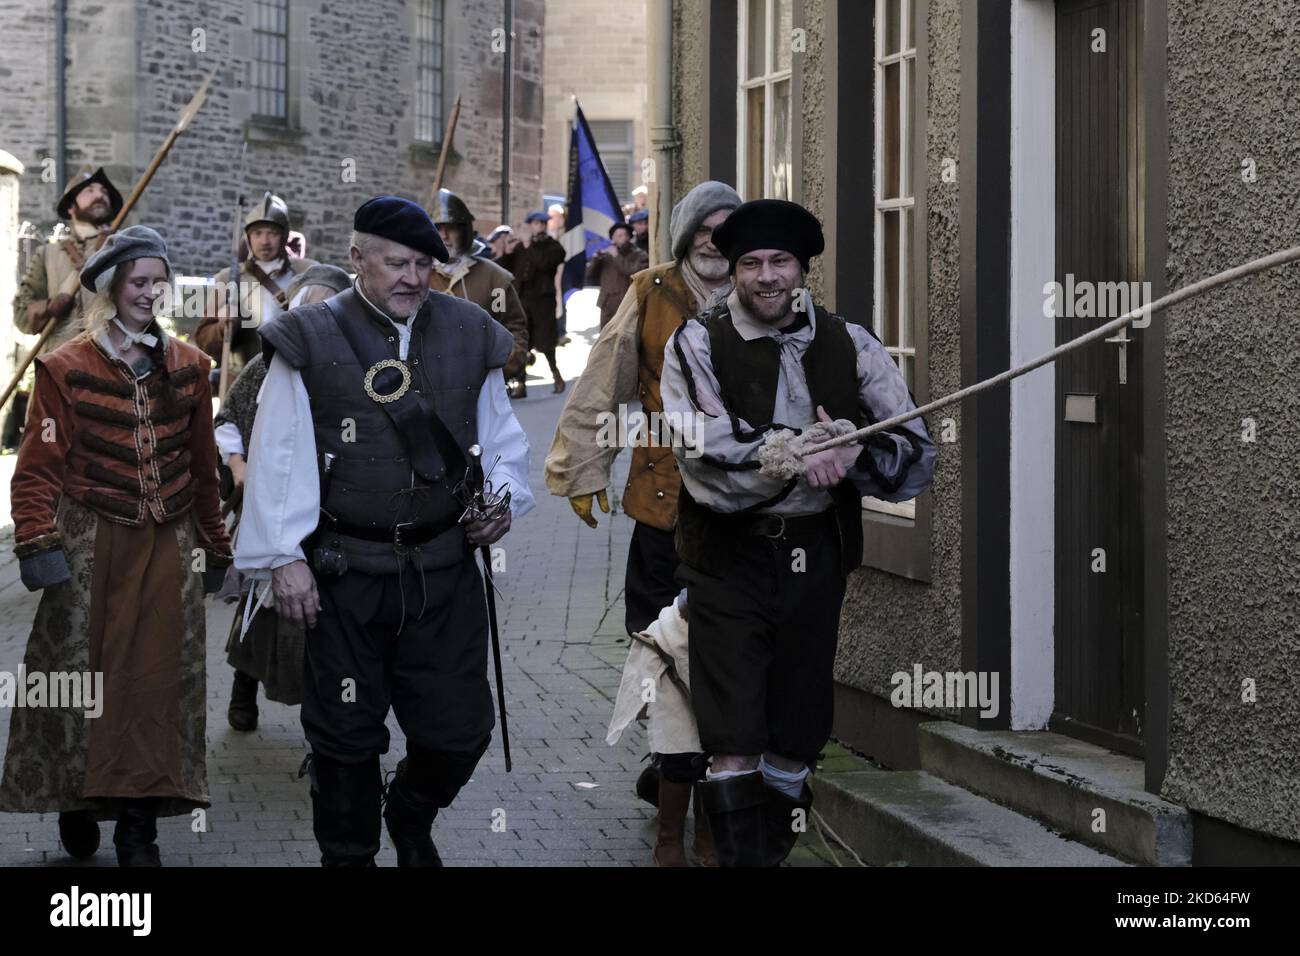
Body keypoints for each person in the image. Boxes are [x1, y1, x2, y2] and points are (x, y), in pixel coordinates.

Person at [234, 196, 534, 867]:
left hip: (443, 571)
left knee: (460, 730)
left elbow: (503, 441)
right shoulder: (308, 337)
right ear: (357, 259)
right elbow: (278, 453)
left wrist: (504, 502)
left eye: (424, 264)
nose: (412, 277)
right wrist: (283, 557)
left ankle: (409, 810)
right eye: (396, 262)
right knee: (344, 737)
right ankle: (350, 857)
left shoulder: (467, 330)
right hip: (343, 576)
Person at [660, 199, 937, 866]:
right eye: (749, 263)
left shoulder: (852, 342)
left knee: (798, 728)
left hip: (817, 553)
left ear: (801, 268)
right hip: (729, 557)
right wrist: (791, 453)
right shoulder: (697, 342)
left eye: (779, 261)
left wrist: (852, 448)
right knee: (734, 730)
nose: (764, 276)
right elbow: (703, 451)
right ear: (732, 272)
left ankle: (772, 853)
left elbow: (913, 449)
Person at [0, 225, 232, 866]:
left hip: (167, 545)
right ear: (110, 287)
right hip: (89, 543)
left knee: (153, 685)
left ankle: (139, 828)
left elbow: (204, 466)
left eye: (160, 281)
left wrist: (215, 545)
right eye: (139, 281)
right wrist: (38, 542)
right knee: (80, 680)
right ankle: (77, 801)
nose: (151, 293)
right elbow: (38, 465)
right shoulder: (65, 367)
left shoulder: (190, 366)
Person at [546, 180, 742, 865]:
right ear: (685, 233)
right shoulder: (651, 289)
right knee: (659, 653)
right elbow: (605, 377)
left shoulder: (763, 289)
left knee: (723, 662)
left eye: (729, 228)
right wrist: (582, 467)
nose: (715, 241)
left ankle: (700, 805)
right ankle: (670, 801)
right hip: (662, 503)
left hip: (741, 511)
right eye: (704, 229)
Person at [215, 263, 353, 732]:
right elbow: (227, 421)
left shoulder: (354, 369)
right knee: (260, 607)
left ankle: (325, 719)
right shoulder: (266, 364)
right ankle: (243, 689)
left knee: (324, 617)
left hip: (332, 516)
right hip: (271, 505)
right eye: (307, 310)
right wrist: (239, 467)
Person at [5, 168, 125, 449]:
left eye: (104, 191)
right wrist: (50, 305)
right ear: (71, 206)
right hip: (60, 378)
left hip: (112, 375)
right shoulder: (47, 254)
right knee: (52, 459)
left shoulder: (123, 250)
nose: (100, 194)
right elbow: (23, 316)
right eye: (90, 190)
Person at [194, 192, 318, 381]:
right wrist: (222, 325)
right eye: (258, 233)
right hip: (240, 378)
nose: (265, 241)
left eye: (272, 233)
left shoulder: (306, 272)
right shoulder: (227, 278)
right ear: (248, 237)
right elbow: (204, 343)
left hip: (291, 376)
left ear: (283, 236)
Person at [427, 188, 530, 392]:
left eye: (452, 228)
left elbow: (513, 329)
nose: (445, 236)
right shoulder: (414, 277)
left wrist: (502, 366)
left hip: (481, 391)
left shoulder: (495, 278)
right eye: (438, 228)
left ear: (464, 230)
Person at [499, 211, 567, 393]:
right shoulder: (522, 247)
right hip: (523, 299)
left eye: (543, 223)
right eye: (537, 223)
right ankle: (521, 384)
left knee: (546, 342)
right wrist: (506, 252)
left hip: (543, 301)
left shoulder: (554, 247)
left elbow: (543, 263)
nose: (540, 227)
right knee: (522, 342)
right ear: (531, 225)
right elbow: (506, 269)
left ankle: (556, 374)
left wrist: (528, 247)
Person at [585, 221, 649, 328]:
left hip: (627, 302)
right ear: (613, 239)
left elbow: (631, 271)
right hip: (607, 301)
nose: (623, 238)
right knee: (605, 334)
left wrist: (617, 256)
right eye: (619, 236)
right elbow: (589, 275)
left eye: (625, 235)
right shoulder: (607, 254)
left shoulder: (639, 254)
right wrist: (596, 259)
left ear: (630, 237)